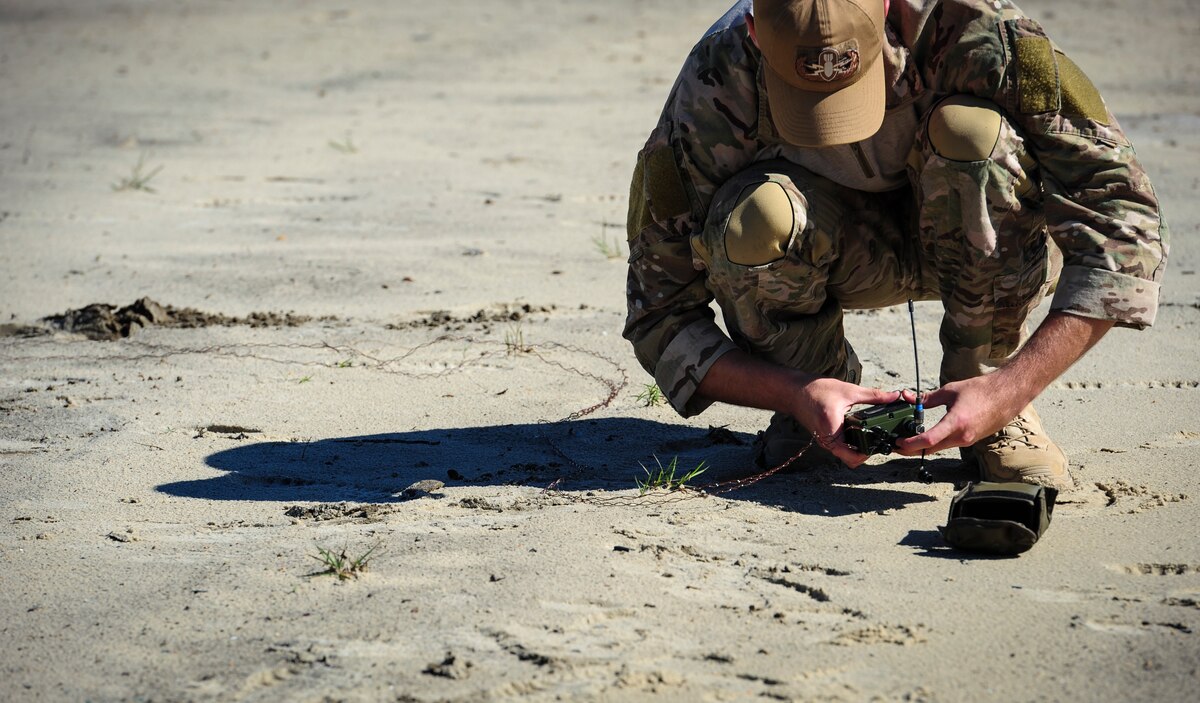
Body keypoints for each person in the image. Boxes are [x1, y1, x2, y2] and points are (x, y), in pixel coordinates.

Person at [623, 0, 1168, 491]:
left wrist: (1010, 388)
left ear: (887, 6)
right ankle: (820, 404)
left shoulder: (984, 34)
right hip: (833, 251)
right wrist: (793, 390)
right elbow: (658, 311)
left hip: (980, 234)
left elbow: (1124, 221)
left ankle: (988, 401)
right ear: (754, 31)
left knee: (975, 134)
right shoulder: (716, 78)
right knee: (753, 217)